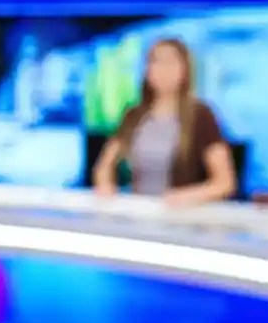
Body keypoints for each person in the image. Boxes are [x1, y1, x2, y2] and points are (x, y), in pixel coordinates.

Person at [92, 38, 237, 207]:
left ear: (185, 70)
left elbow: (225, 183)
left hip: (183, 218)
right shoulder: (134, 114)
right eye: (156, 62)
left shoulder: (201, 115)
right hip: (140, 213)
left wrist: (188, 196)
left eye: (171, 62)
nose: (163, 70)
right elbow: (104, 165)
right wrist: (105, 185)